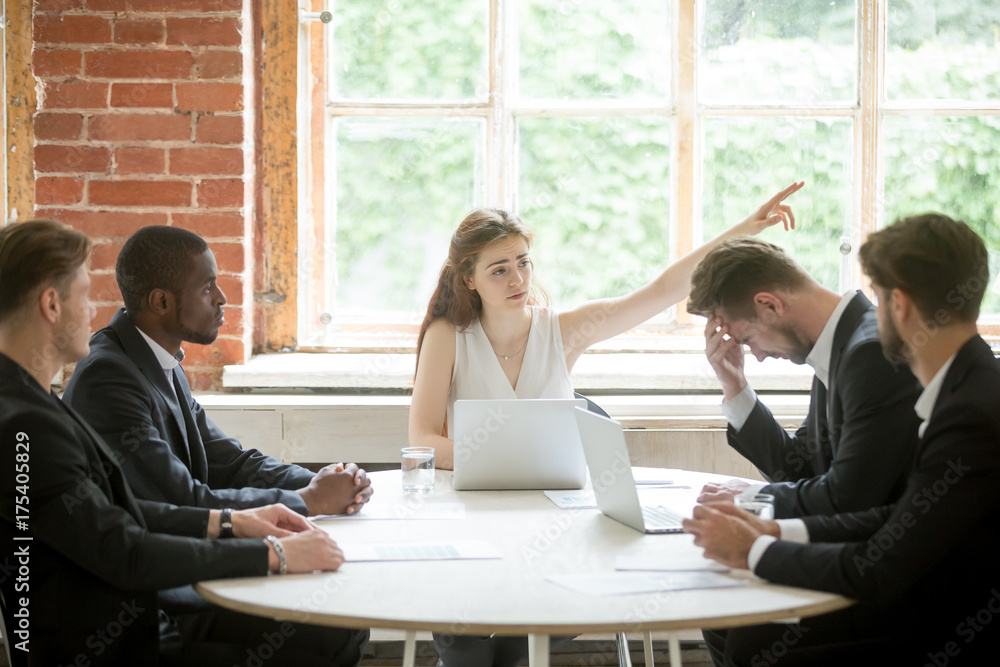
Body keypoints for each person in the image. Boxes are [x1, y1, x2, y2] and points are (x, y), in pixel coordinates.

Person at [410, 183, 804, 667]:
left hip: (553, 519)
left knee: (549, 621)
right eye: (499, 269)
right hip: (471, 512)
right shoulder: (448, 336)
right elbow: (422, 440)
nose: (518, 279)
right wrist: (500, 459)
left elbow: (659, 291)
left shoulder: (562, 329)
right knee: (464, 640)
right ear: (468, 280)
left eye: (523, 262)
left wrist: (744, 229)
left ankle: (510, 653)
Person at [0, 220, 368, 666]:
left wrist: (235, 522)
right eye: (84, 294)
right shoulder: (27, 419)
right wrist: (273, 552)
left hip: (132, 614)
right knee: (326, 630)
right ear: (52, 305)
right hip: (125, 640)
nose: (93, 309)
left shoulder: (29, 401)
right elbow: (125, 551)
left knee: (335, 622)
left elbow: (112, 510)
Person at [683, 212, 1000, 665]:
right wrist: (773, 530)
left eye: (878, 295)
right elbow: (894, 512)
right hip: (922, 579)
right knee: (734, 622)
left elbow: (876, 548)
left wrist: (757, 547)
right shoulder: (965, 383)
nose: (872, 311)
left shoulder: (957, 403)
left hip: (940, 609)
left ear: (901, 305)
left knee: (755, 644)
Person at [63, 225, 373, 518]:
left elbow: (229, 462)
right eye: (207, 287)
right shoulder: (108, 377)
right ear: (161, 301)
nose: (221, 298)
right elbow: (180, 499)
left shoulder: (159, 359)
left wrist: (324, 481)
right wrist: (307, 500)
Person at [685, 237, 923, 518]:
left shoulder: (872, 355)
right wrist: (735, 385)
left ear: (770, 305)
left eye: (748, 339)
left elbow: (852, 497)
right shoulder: (839, 347)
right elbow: (800, 470)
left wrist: (754, 497)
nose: (758, 356)